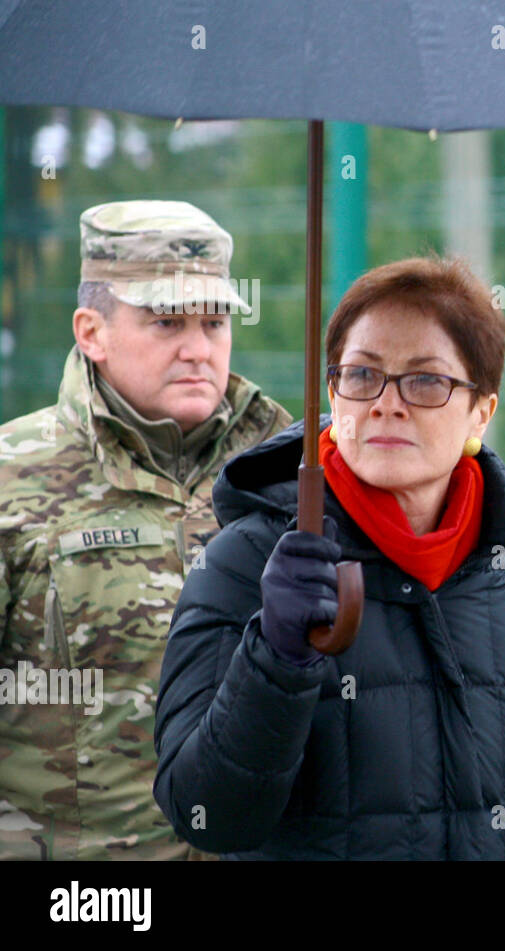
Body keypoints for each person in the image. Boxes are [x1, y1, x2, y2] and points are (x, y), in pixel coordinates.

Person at [153, 256, 505, 860]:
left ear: (482, 411)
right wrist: (276, 660)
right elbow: (206, 815)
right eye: (362, 375)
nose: (387, 404)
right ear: (333, 392)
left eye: (426, 381)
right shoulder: (252, 557)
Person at [0, 200, 292, 859]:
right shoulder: (11, 482)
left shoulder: (286, 475)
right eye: (166, 321)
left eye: (215, 321)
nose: (198, 348)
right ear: (90, 331)